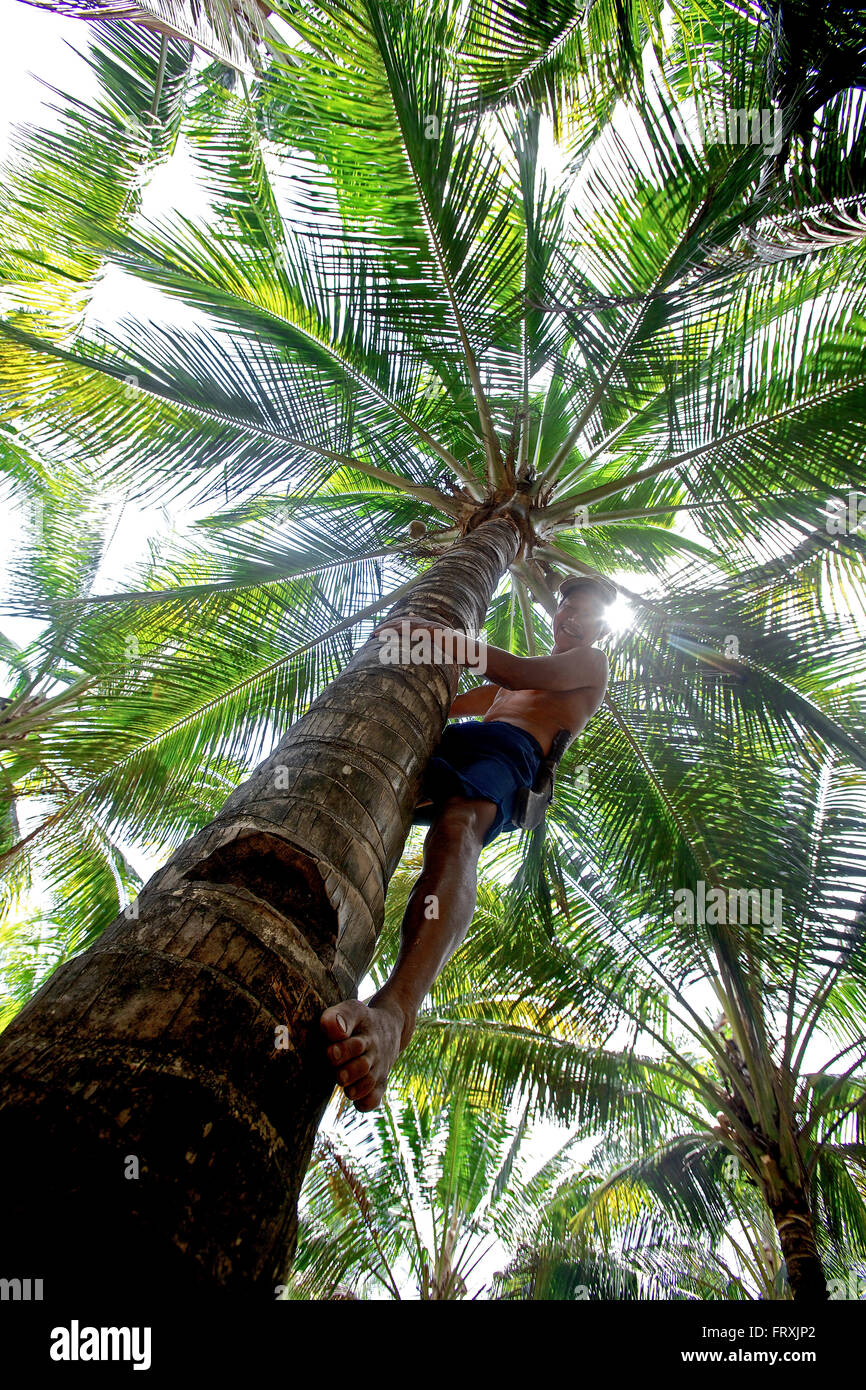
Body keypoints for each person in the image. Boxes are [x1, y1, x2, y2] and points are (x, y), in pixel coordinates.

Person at [320, 575, 614, 1111]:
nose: (571, 619)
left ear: (601, 628)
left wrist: (432, 633)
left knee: (456, 834)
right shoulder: (510, 687)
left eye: (586, 615)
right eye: (566, 609)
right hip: (462, 741)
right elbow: (451, 701)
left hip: (510, 753)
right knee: (361, 781)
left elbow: (516, 670)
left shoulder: (590, 666)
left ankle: (397, 1011)